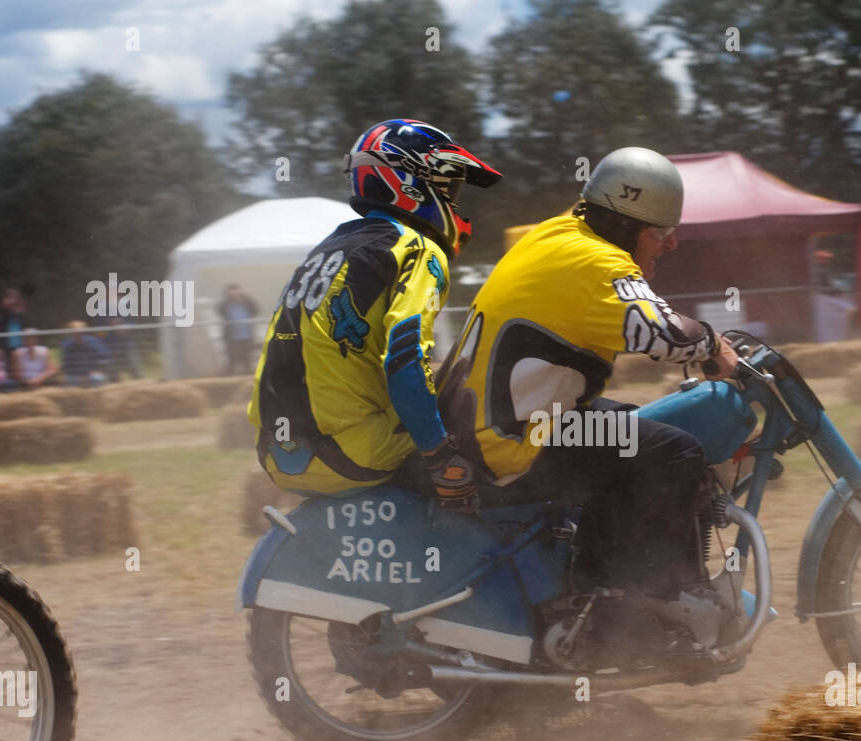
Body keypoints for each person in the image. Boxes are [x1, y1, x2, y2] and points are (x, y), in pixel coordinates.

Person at [436, 146, 739, 631]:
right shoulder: (597, 263)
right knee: (674, 452)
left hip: (490, 423)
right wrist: (712, 345)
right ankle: (640, 596)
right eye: (659, 232)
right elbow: (659, 330)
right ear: (625, 225)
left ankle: (595, 574)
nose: (670, 244)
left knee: (626, 428)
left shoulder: (557, 233)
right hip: (515, 441)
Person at [249, 118, 501, 501]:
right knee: (472, 402)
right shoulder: (415, 249)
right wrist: (438, 457)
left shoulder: (327, 249)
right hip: (352, 455)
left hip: (274, 456)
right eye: (448, 187)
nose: (453, 201)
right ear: (414, 182)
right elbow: (405, 360)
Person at [217, 285, 261, 375]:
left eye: (237, 290)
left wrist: (245, 297)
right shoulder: (226, 303)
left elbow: (256, 310)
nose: (235, 293)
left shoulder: (247, 301)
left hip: (246, 333)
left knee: (246, 353)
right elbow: (220, 310)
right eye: (232, 291)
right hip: (231, 334)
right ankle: (231, 372)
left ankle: (247, 371)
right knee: (231, 354)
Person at [61, 320, 112, 386]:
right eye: (75, 333)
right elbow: (66, 364)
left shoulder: (94, 342)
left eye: (80, 332)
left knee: (98, 378)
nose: (78, 335)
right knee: (67, 382)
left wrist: (97, 370)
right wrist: (77, 375)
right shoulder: (67, 345)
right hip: (75, 375)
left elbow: (105, 358)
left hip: (93, 373)